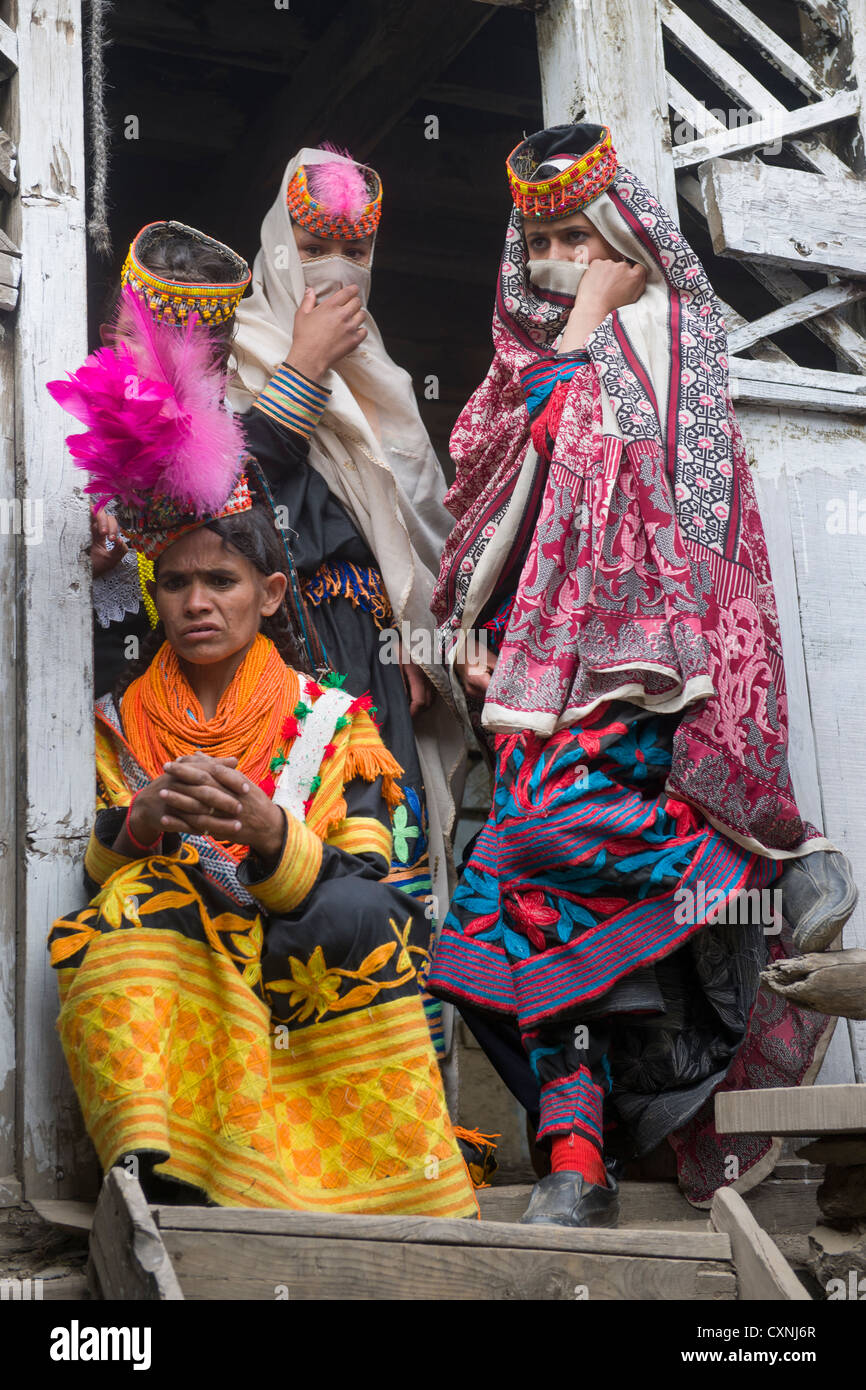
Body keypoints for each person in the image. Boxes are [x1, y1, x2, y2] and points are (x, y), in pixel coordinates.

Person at [426, 123, 858, 1228]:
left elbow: (690, 525)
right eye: (545, 240)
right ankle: (579, 1150)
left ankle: (587, 1154)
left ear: (627, 238)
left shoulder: (679, 346)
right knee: (510, 912)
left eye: (582, 235)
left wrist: (582, 339)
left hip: (650, 685)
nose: (564, 259)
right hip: (528, 690)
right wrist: (463, 620)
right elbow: (483, 510)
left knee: (528, 863)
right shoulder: (505, 375)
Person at [45, 295, 478, 1218]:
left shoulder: (335, 722)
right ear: (152, 593)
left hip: (296, 949)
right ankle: (163, 1177)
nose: (198, 602)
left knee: (367, 922)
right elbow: (81, 865)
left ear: (272, 591)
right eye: (177, 582)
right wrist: (140, 826)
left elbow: (379, 882)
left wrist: (274, 837)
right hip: (190, 955)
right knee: (135, 900)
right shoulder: (112, 723)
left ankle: (339, 1185)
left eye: (223, 580)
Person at [228, 148, 467, 1061]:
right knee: (294, 864)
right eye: (317, 243)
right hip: (285, 664)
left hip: (375, 668)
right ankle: (296, 1102)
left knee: (390, 863)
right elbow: (233, 508)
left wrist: (414, 638)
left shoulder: (388, 385)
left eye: (356, 249)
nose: (339, 266)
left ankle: (407, 1098)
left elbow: (413, 533)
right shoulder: (237, 360)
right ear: (281, 247)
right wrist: (300, 370)